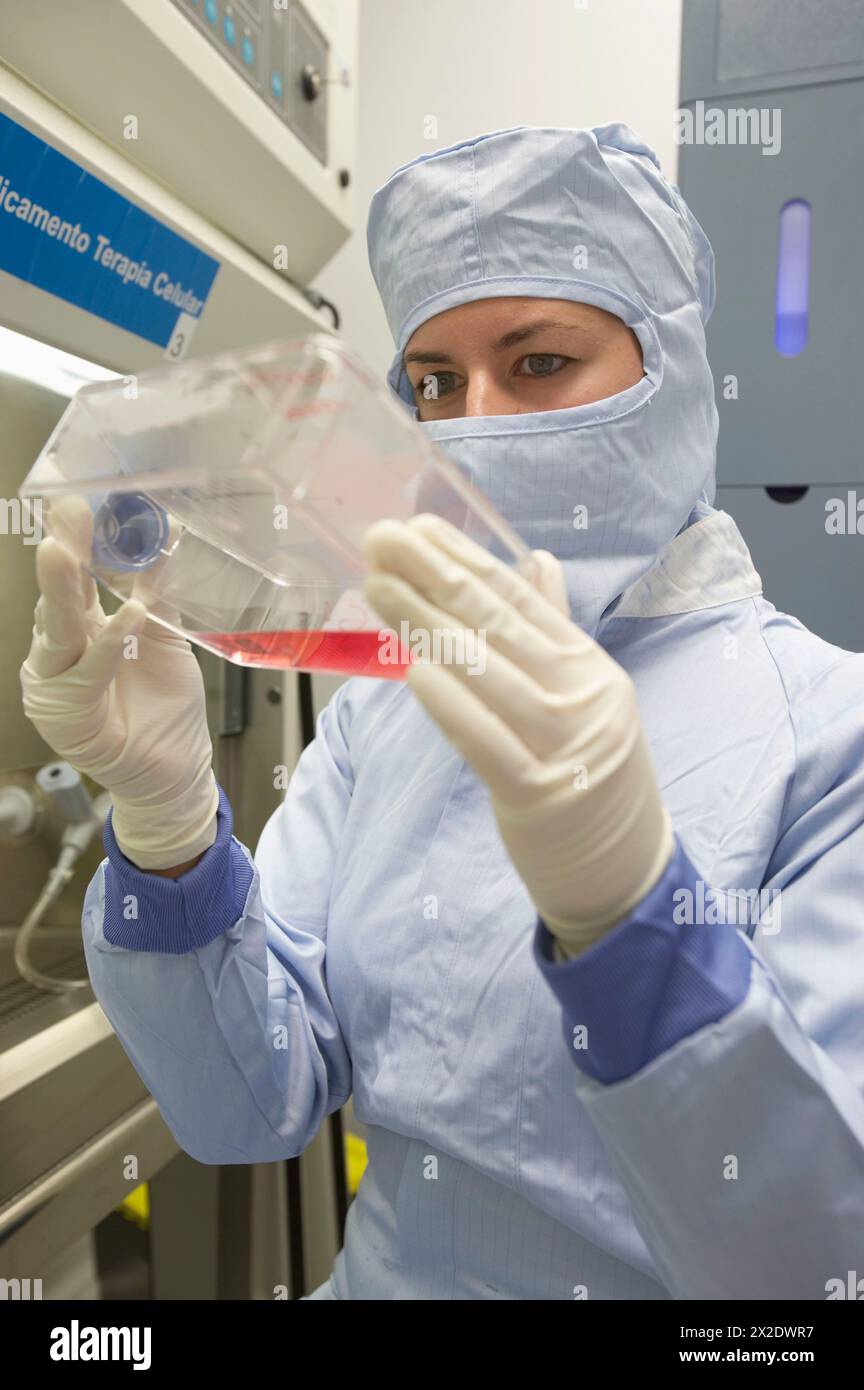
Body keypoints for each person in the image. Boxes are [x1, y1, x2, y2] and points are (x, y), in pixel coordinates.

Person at [20, 125, 864, 1301]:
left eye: (538, 364)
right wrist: (168, 829)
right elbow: (249, 1102)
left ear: (667, 369)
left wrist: (629, 916)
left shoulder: (830, 734)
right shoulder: (386, 704)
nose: (473, 424)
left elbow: (814, 1270)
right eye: (432, 383)